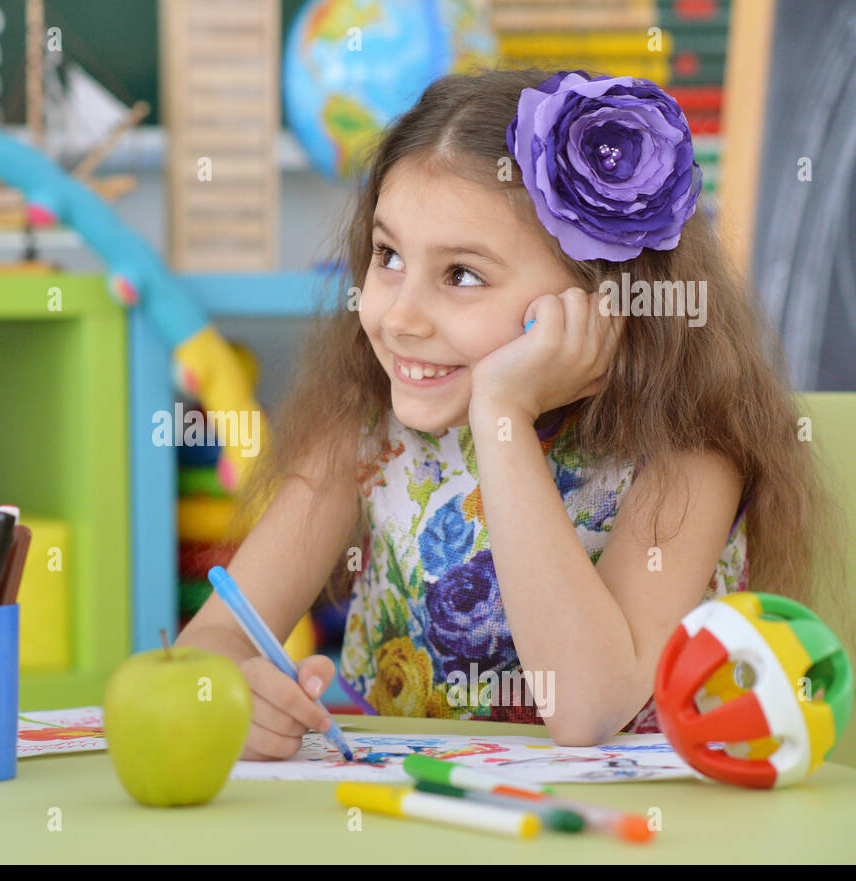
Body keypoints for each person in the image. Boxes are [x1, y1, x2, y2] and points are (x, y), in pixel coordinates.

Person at [177, 69, 847, 759]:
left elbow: (586, 709)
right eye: (388, 255)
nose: (400, 316)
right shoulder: (365, 430)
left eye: (462, 275)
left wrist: (503, 415)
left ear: (600, 301)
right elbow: (211, 642)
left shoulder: (688, 461)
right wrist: (232, 684)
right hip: (411, 818)